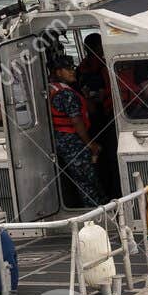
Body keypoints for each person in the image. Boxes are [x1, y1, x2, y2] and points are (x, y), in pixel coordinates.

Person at [47, 54, 104, 209]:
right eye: (68, 69)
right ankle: (96, 214)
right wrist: (90, 144)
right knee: (87, 182)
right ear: (58, 72)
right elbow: (77, 122)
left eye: (72, 68)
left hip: (59, 142)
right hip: (72, 143)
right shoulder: (66, 94)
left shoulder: (50, 89)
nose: (73, 71)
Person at [76, 33, 120, 198]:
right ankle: (113, 193)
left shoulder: (81, 69)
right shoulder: (103, 66)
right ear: (97, 48)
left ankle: (107, 193)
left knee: (102, 160)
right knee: (110, 158)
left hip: (93, 121)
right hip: (105, 119)